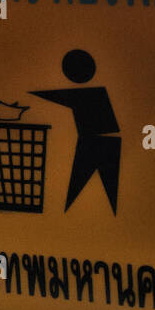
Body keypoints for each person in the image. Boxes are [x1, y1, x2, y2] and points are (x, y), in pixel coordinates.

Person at [32, 49, 120, 214]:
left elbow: (64, 96)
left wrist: (35, 94)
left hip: (97, 142)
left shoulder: (91, 95)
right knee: (86, 189)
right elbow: (65, 96)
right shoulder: (93, 94)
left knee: (89, 187)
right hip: (98, 141)